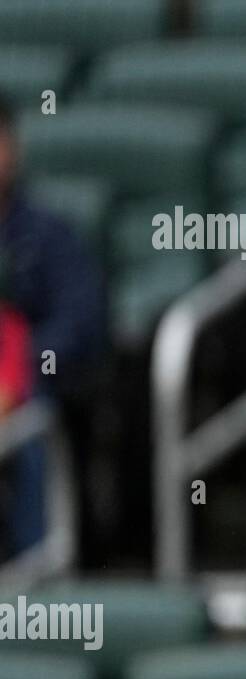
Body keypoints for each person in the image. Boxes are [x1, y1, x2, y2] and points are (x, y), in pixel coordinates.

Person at [0, 96, 108, 556]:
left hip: (27, 389)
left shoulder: (49, 235)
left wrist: (20, 375)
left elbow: (81, 322)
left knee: (33, 418)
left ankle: (37, 577)